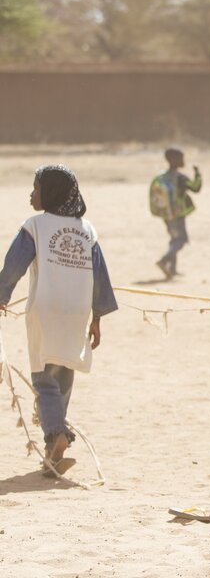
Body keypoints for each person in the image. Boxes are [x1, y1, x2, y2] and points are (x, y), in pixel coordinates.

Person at [0, 165, 117, 475]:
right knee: (63, 375)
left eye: (36, 188)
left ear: (50, 193)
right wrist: (97, 317)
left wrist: (1, 295)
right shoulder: (87, 230)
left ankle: (57, 433)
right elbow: (100, 276)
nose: (31, 195)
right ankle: (53, 450)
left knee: (43, 380)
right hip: (77, 312)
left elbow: (13, 266)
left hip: (46, 310)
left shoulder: (35, 226)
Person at [154, 148, 202, 278]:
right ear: (173, 160)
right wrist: (198, 174)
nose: (182, 161)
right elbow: (195, 188)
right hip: (178, 215)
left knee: (173, 239)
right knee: (181, 240)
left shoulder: (163, 177)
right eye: (180, 158)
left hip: (166, 214)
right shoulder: (180, 178)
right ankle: (164, 260)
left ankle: (172, 269)